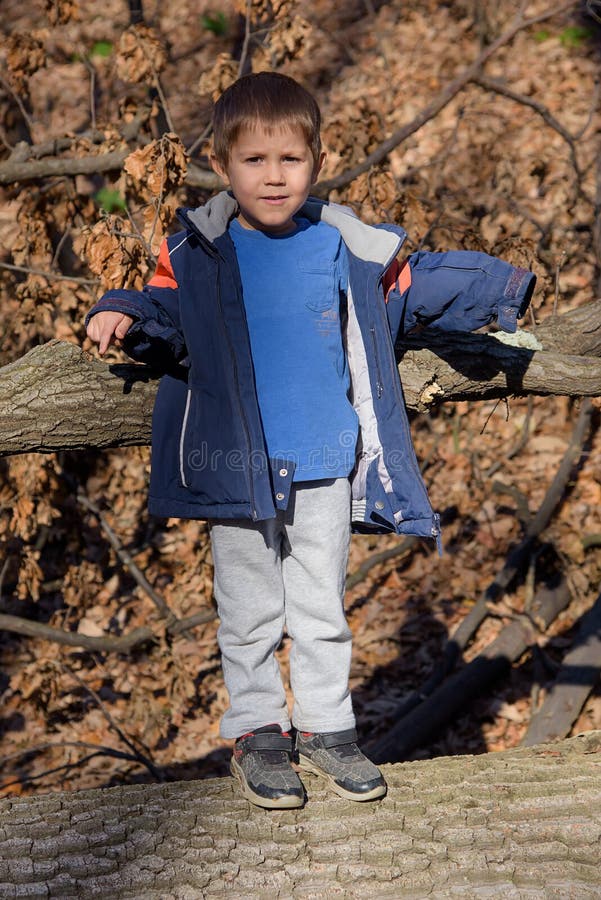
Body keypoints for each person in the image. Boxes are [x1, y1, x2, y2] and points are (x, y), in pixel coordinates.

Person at [85, 71, 536, 809]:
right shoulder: (199, 249)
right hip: (235, 464)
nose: (272, 176)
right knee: (249, 608)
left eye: (288, 160)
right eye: (254, 161)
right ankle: (260, 732)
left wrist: (499, 290)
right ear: (223, 165)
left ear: (315, 161)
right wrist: (120, 313)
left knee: (320, 604)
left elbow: (413, 287)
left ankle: (329, 729)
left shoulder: (340, 244)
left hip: (326, 456)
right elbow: (163, 309)